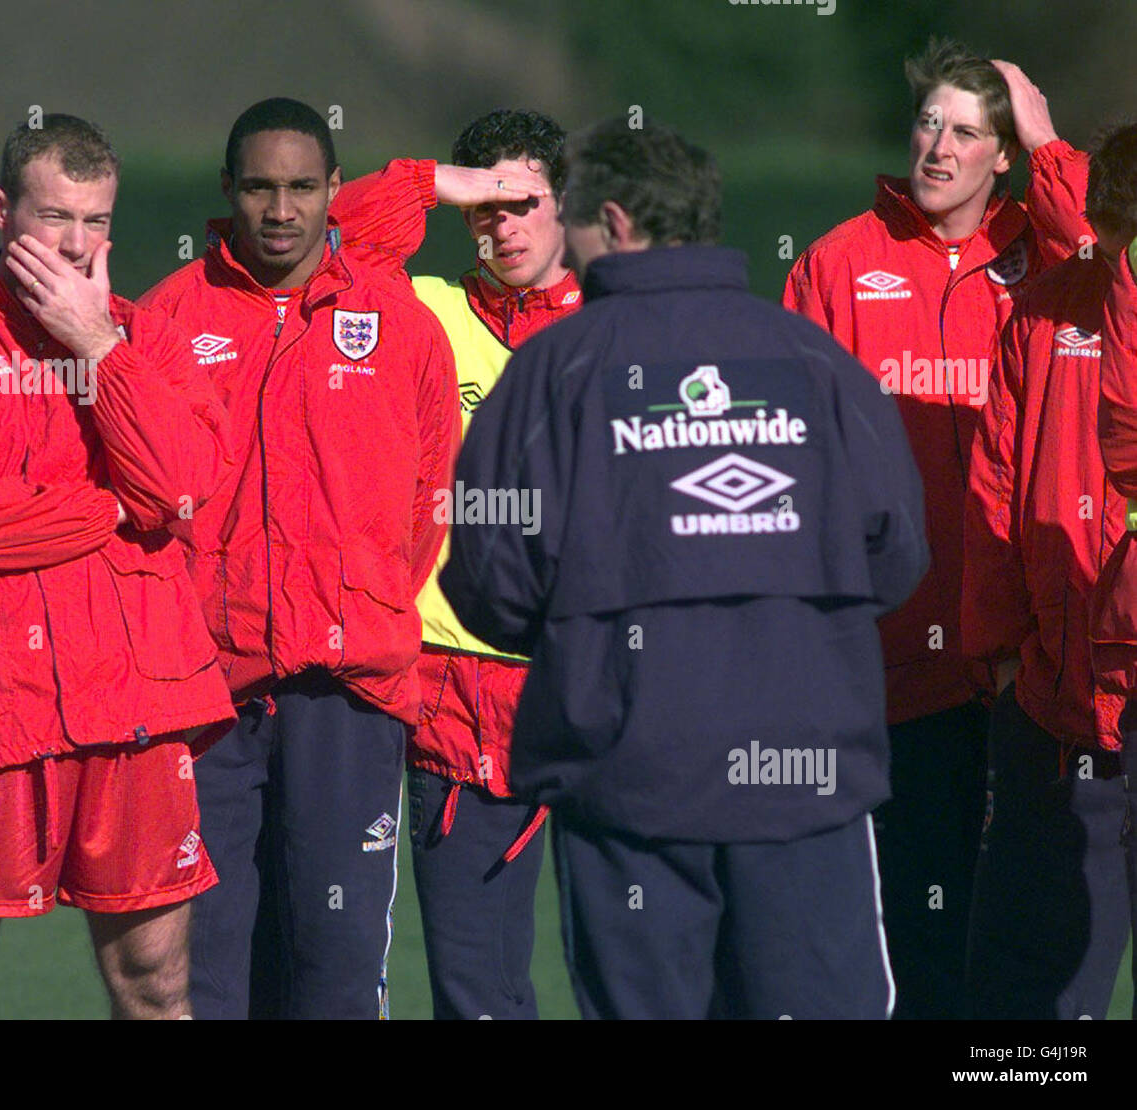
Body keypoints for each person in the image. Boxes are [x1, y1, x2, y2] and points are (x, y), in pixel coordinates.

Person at [440, 116, 929, 1020]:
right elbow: (898, 554)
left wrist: (592, 651)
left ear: (616, 223)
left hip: (630, 783)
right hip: (805, 778)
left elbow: (485, 578)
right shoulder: (816, 360)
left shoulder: (552, 370)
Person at [0, 114, 236, 1019]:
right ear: (1, 209)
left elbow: (184, 487)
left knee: (158, 983)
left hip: (135, 701)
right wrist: (112, 509)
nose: (77, 245)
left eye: (97, 221)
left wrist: (98, 347)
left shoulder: (144, 340)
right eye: (53, 217)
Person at [783, 38, 1091, 1018]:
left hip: (1027, 670)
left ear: (1002, 155)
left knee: (1020, 957)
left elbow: (1110, 267)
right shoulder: (836, 265)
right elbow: (789, 466)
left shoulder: (1047, 260)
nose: (936, 146)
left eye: (965, 131)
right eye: (927, 123)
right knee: (917, 940)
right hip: (893, 667)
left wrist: (1050, 148)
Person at [139, 98, 459, 1020]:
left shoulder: (396, 323)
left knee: (336, 969)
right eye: (261, 187)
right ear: (228, 191)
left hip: (347, 695)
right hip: (204, 699)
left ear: (333, 193)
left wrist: (356, 604)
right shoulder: (166, 319)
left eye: (304, 187)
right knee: (201, 972)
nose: (282, 210)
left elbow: (425, 500)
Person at [331, 108, 580, 1019]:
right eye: (487, 207)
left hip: (599, 691)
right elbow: (325, 243)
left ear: (569, 206)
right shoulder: (424, 308)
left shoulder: (618, 325)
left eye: (525, 201)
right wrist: (434, 181)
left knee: (648, 975)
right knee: (479, 993)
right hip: (456, 694)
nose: (503, 225)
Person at [963, 123, 1137, 1020]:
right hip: (1050, 701)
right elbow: (995, 493)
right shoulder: (1045, 313)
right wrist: (1001, 656)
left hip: (1120, 684)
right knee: (1026, 1000)